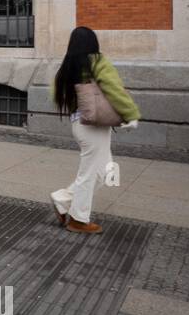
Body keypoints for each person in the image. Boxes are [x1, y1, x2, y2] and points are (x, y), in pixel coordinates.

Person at [49, 27, 140, 235]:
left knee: (103, 171)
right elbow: (114, 88)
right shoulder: (97, 61)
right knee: (90, 174)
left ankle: (63, 199)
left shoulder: (68, 65)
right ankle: (79, 220)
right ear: (93, 43)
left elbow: (56, 94)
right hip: (93, 128)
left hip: (80, 125)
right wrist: (131, 114)